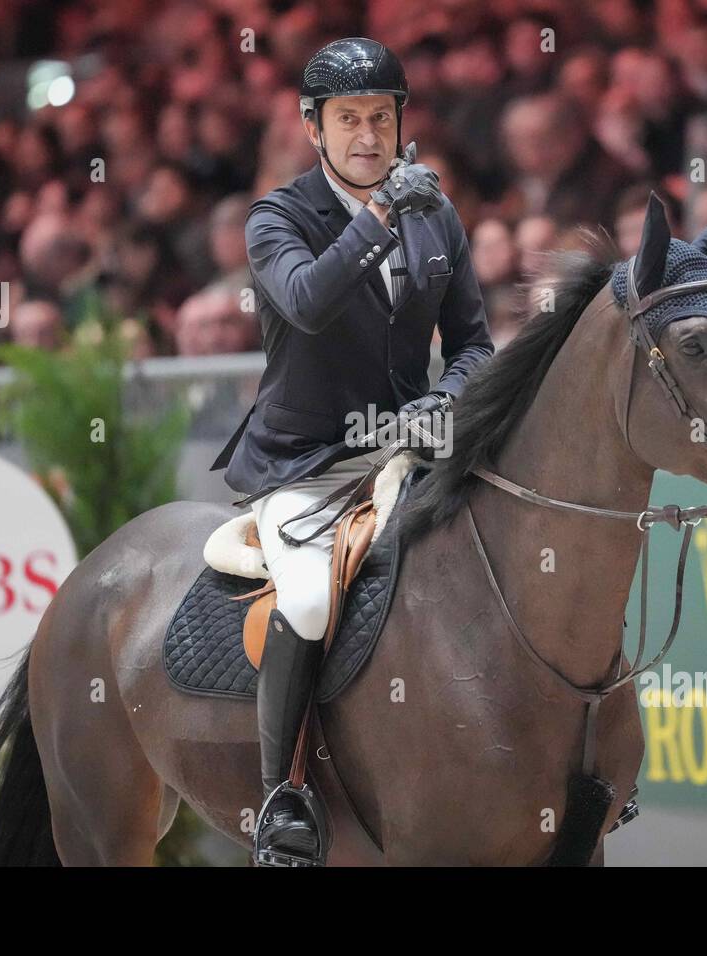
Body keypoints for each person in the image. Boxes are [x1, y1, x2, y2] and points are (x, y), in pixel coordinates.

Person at [209, 37, 494, 862]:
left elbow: (474, 342)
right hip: (311, 460)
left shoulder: (436, 213)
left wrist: (444, 399)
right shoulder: (277, 217)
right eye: (349, 121)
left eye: (381, 117)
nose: (369, 136)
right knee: (304, 601)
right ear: (314, 128)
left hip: (412, 446)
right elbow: (306, 302)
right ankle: (283, 801)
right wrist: (379, 217)